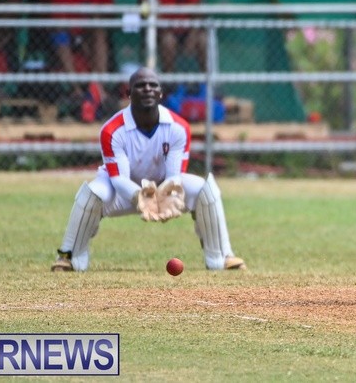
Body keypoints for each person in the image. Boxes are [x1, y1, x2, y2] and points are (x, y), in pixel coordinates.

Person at [51, 67, 246, 272]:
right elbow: (118, 179)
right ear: (129, 94)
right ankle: (69, 256)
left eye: (153, 85)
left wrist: (169, 195)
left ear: (161, 93)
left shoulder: (179, 127)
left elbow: (174, 176)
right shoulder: (111, 130)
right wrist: (140, 197)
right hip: (122, 192)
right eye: (140, 86)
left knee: (205, 189)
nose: (147, 89)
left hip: (162, 187)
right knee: (93, 193)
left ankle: (221, 257)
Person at [49, 0, 114, 79]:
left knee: (99, 32)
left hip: (89, 31)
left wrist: (97, 16)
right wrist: (77, 36)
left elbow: (111, 12)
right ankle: (75, 87)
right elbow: (58, 22)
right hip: (68, 32)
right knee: (61, 37)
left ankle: (98, 83)